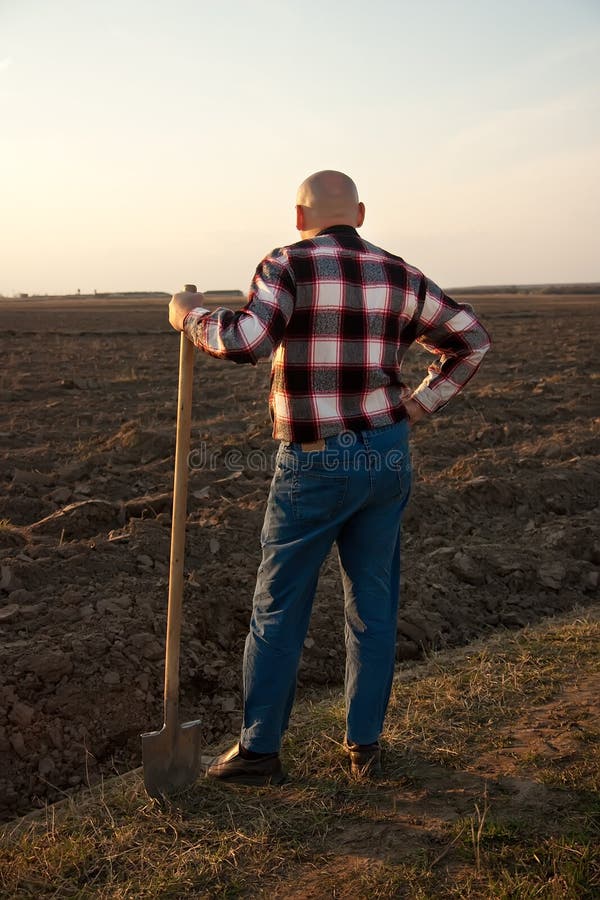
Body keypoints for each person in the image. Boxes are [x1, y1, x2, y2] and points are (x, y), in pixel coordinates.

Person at [169, 170, 491, 784]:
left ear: (298, 216)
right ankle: (365, 748)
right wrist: (419, 405)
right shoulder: (399, 273)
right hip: (388, 453)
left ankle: (260, 750)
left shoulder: (287, 263)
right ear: (361, 214)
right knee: (373, 600)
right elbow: (471, 339)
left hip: (315, 460)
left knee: (279, 603)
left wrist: (189, 316)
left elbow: (248, 340)